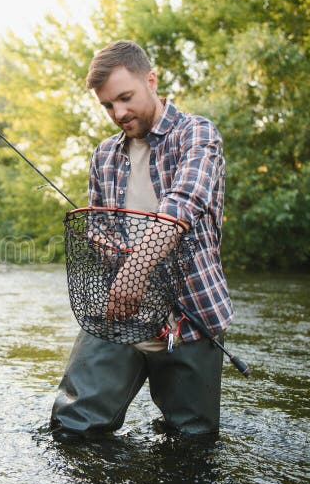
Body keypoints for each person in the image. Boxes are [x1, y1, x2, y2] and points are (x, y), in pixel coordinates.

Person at [50, 40, 234, 442]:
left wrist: (135, 267)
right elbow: (99, 224)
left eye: (125, 98)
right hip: (119, 313)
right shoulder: (103, 156)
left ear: (150, 80)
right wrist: (106, 244)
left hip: (191, 317)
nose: (118, 113)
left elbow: (184, 202)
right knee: (71, 430)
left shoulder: (197, 133)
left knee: (191, 445)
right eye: (107, 106)